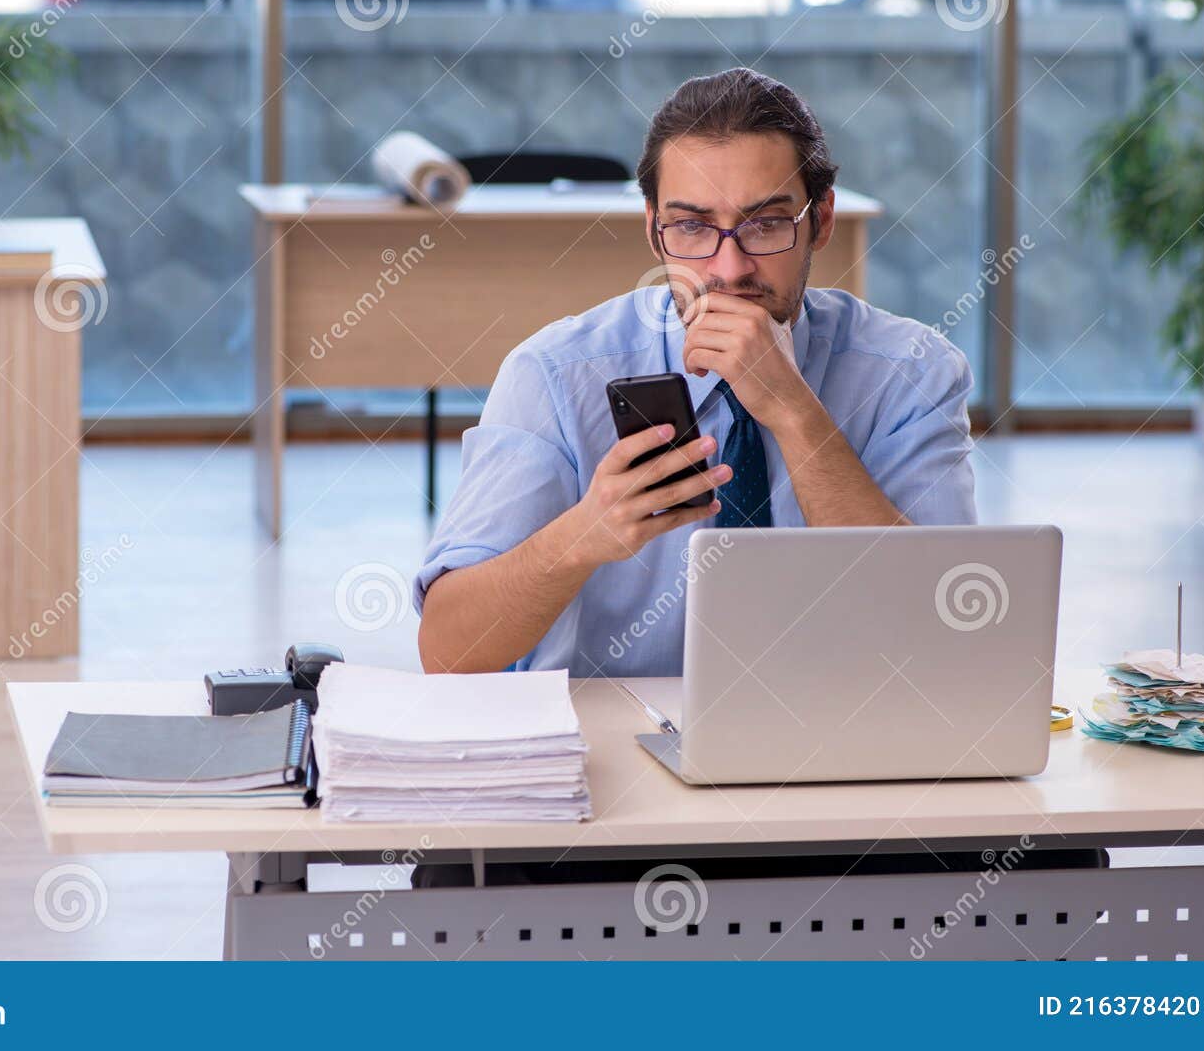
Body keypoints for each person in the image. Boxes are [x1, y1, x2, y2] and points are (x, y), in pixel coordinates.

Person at [416, 67, 976, 677]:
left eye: (766, 223)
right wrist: (580, 536)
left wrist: (794, 412)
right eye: (691, 227)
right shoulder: (553, 375)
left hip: (841, 726)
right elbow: (447, 653)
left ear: (822, 220)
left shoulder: (913, 373)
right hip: (615, 729)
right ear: (653, 231)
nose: (729, 269)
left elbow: (942, 638)